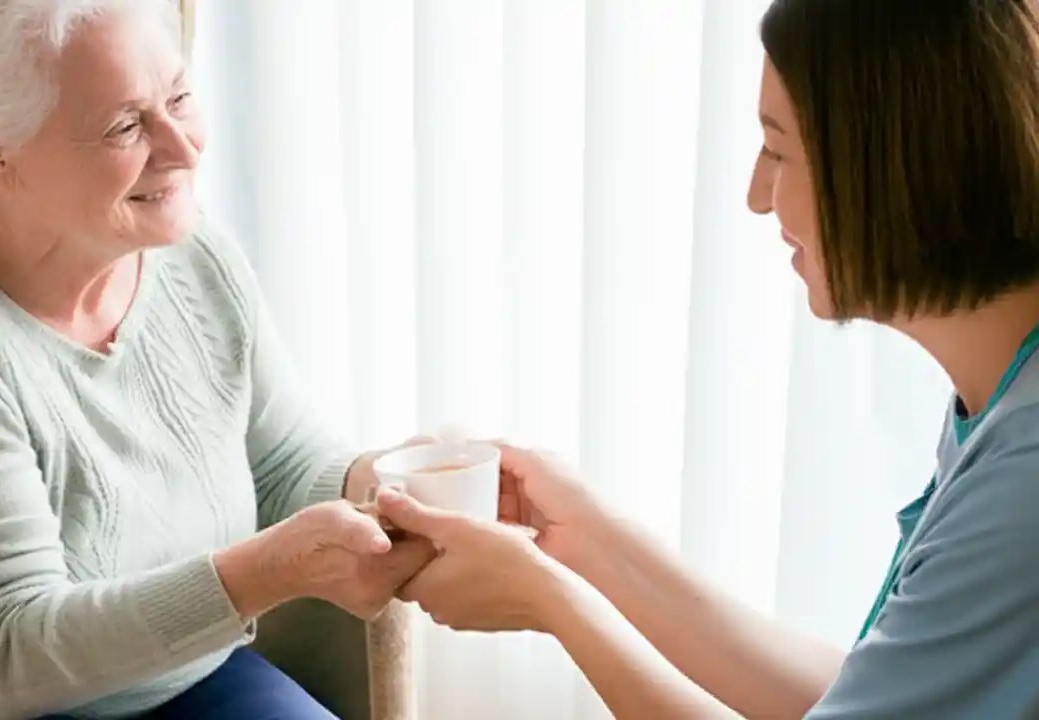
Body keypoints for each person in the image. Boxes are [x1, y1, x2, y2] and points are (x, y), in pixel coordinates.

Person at [380, 1, 1039, 717]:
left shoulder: (1023, 480)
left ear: (902, 166)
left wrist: (552, 601)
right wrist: (589, 547)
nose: (758, 196)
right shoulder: (997, 397)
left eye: (779, 151)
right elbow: (873, 696)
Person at [0, 1, 432, 718]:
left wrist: (391, 486)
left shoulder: (193, 253)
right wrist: (267, 569)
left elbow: (280, 464)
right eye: (125, 124)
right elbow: (9, 652)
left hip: (181, 678)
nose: (182, 147)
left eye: (178, 97)